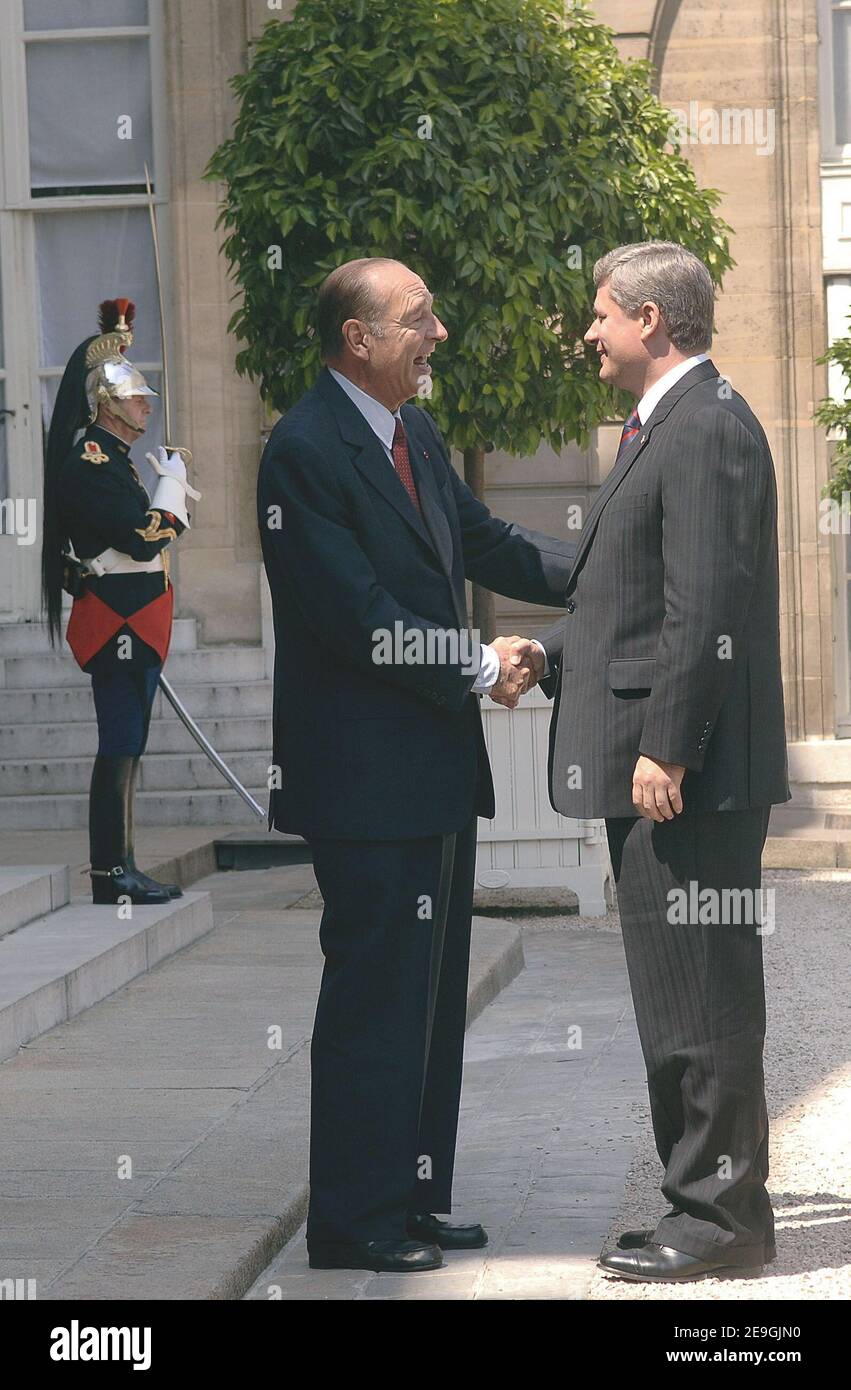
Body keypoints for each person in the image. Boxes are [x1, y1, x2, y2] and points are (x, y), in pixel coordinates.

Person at [257, 257, 572, 1273]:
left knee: (431, 1003)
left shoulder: (415, 433)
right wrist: (483, 664)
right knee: (373, 1005)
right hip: (362, 784)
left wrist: (607, 560)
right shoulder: (302, 451)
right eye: (417, 319)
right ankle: (352, 1222)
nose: (436, 333)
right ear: (357, 338)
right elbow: (358, 619)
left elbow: (481, 541)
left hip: (432, 771)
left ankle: (412, 1194)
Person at [533, 241, 790, 1282]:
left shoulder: (705, 428)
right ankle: (698, 1205)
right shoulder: (666, 424)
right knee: (672, 997)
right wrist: (540, 656)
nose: (587, 332)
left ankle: (721, 1222)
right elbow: (626, 602)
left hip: (685, 776)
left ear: (649, 320)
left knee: (702, 1000)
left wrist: (664, 748)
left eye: (599, 314)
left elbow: (704, 611)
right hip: (662, 767)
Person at [41, 298, 200, 906]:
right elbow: (139, 538)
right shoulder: (91, 463)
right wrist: (173, 496)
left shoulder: (115, 461)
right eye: (138, 399)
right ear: (108, 405)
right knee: (120, 741)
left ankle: (122, 864)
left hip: (136, 615)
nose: (146, 406)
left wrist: (164, 490)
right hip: (117, 620)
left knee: (130, 743)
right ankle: (111, 873)